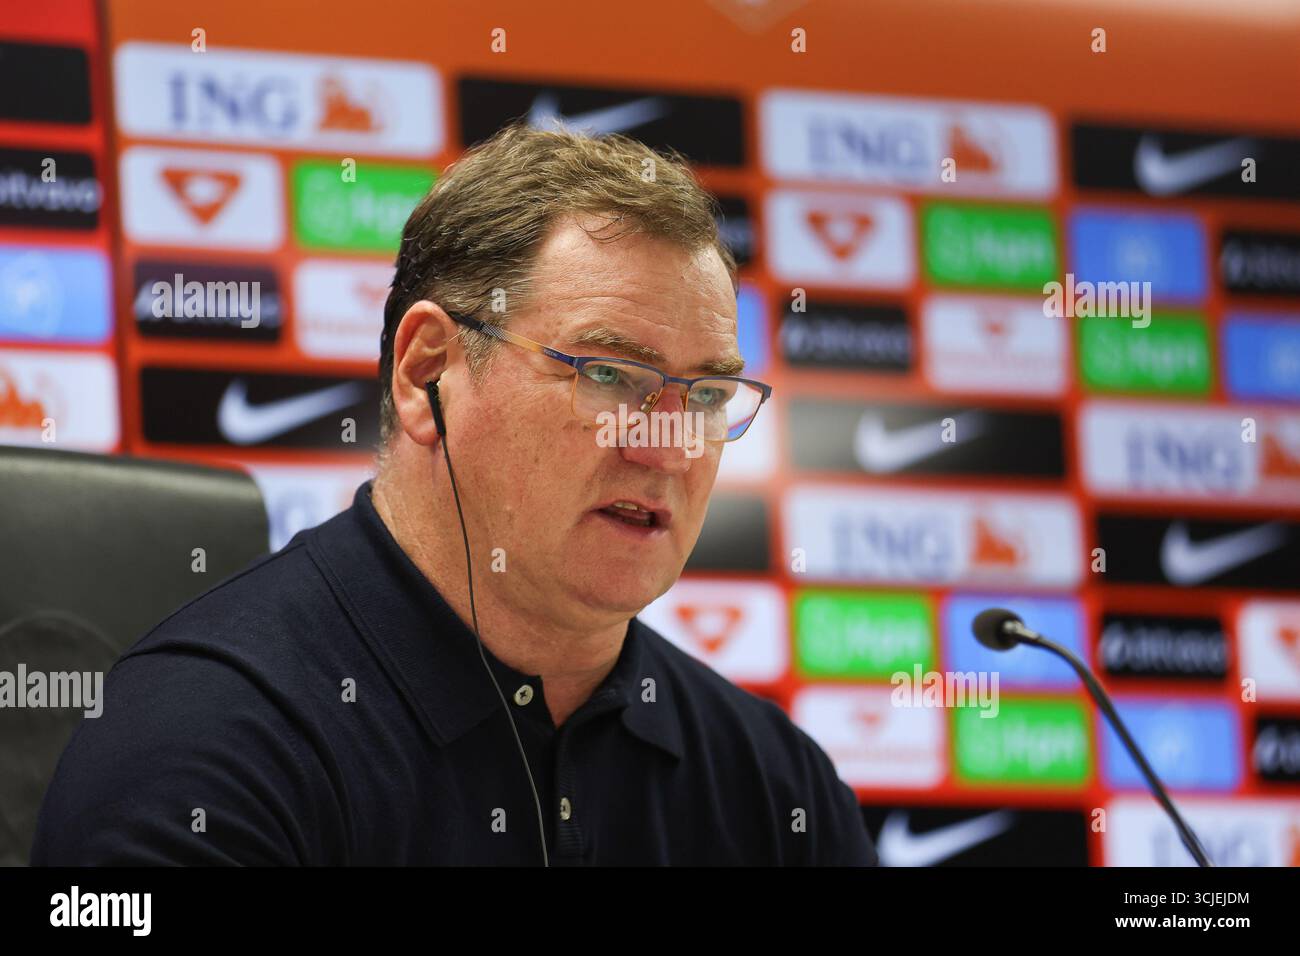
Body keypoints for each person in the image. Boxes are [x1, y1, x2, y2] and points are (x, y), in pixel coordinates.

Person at [31, 121, 877, 866]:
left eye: (704, 395)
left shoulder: (774, 785)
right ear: (426, 371)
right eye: (611, 375)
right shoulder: (202, 744)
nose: (668, 446)